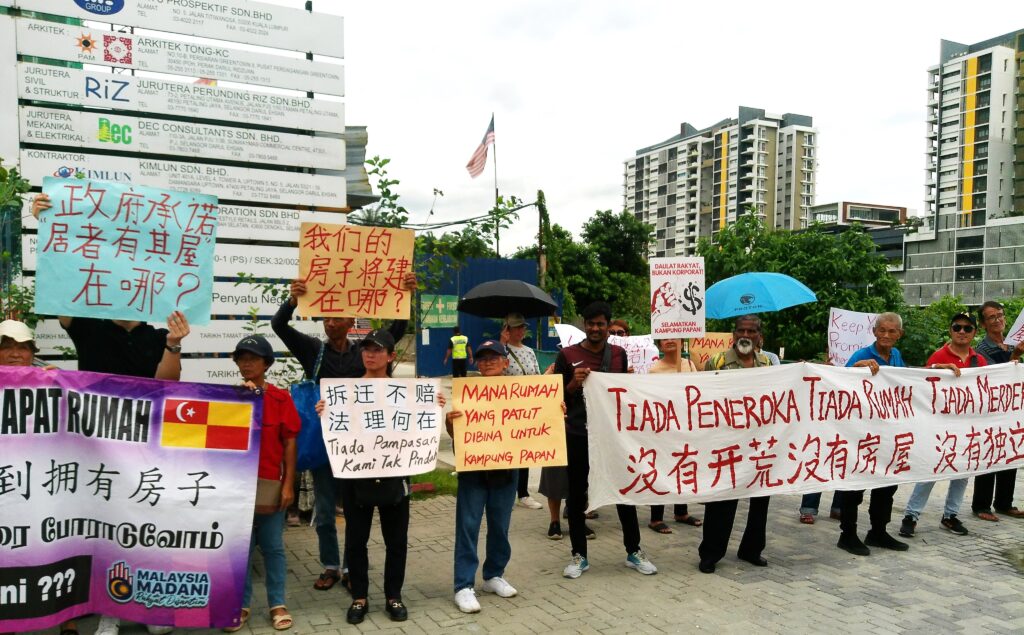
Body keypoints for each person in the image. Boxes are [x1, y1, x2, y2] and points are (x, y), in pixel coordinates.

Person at [34, 193, 185, 635]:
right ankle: (112, 610)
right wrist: (46, 226)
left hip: (147, 445)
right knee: (104, 527)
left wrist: (174, 344)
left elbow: (169, 383)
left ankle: (155, 605)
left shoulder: (159, 334)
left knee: (149, 523)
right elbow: (59, 278)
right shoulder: (86, 324)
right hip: (96, 444)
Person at [271, 277, 414, 593]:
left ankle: (352, 567)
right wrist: (293, 300)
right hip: (325, 442)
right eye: (326, 318)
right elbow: (279, 325)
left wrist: (407, 295)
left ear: (352, 321)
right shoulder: (312, 350)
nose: (331, 323)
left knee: (353, 510)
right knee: (324, 510)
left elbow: (396, 330)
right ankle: (330, 565)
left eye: (337, 317)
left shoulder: (361, 352)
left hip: (358, 446)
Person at [314, 330, 426, 624]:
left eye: (377, 350)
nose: (370, 354)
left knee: (396, 541)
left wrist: (433, 406)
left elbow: (418, 428)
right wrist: (325, 412)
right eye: (366, 348)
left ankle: (393, 596)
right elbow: (338, 429)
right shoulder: (345, 391)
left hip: (394, 475)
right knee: (355, 540)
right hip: (356, 477)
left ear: (390, 356)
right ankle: (360, 597)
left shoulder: (406, 391)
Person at [555, 301, 657, 579]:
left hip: (612, 436)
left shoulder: (618, 355)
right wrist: (574, 383)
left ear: (609, 327)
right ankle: (579, 555)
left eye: (601, 324)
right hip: (578, 434)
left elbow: (619, 393)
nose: (595, 328)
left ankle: (633, 550)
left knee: (625, 492)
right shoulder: (567, 355)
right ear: (584, 326)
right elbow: (555, 399)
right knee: (576, 497)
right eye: (591, 324)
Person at [224, 336, 299, 632]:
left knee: (272, 547)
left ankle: (277, 603)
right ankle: (240, 605)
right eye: (242, 358)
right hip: (236, 486)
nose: (246, 363)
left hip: (270, 482)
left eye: (253, 358)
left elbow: (290, 442)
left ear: (266, 363)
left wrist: (288, 484)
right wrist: (240, 400)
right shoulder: (229, 398)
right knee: (239, 549)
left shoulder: (281, 399)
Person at [446, 340, 520, 613]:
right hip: (474, 470)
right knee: (468, 527)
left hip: (505, 469)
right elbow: (457, 435)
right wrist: (450, 422)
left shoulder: (520, 393)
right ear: (476, 362)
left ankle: (493, 575)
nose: (488, 362)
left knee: (500, 525)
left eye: (493, 357)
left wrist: (552, 412)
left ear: (505, 362)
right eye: (483, 358)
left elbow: (537, 423)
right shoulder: (467, 392)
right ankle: (463, 585)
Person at [698, 315, 772, 574]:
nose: (745, 335)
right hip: (726, 441)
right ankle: (711, 553)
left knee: (760, 497)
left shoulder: (768, 363)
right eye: (741, 330)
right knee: (722, 498)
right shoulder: (716, 362)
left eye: (751, 331)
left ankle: (752, 549)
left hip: (760, 441)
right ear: (733, 334)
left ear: (759, 336)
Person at [899, 312, 984, 539]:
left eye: (967, 328)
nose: (962, 332)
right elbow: (922, 383)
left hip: (967, 427)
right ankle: (911, 516)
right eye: (957, 327)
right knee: (930, 470)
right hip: (939, 426)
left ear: (975, 332)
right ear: (950, 330)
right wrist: (938, 367)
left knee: (962, 472)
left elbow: (992, 385)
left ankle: (951, 515)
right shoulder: (939, 355)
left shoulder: (979, 360)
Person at [835, 312, 910, 555]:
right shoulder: (861, 355)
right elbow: (840, 384)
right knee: (855, 485)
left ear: (899, 334)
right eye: (882, 330)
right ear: (875, 332)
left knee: (887, 485)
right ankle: (847, 534)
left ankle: (878, 531)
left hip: (888, 432)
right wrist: (856, 368)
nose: (886, 335)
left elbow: (908, 384)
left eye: (892, 331)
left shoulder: (897, 356)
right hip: (861, 433)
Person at [971, 301, 1024, 520]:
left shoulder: (1012, 344)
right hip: (990, 411)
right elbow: (996, 376)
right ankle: (981, 505)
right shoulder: (982, 350)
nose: (998, 320)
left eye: (1000, 315)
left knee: (1010, 452)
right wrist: (1015, 357)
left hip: (1012, 409)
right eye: (991, 317)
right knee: (989, 455)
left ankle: (1004, 502)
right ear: (983, 324)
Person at [647, 338, 702, 533]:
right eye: (665, 338)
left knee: (684, 465)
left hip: (685, 425)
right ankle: (656, 518)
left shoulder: (688, 364)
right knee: (661, 469)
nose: (670, 341)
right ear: (660, 344)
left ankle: (682, 511)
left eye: (674, 337)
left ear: (681, 342)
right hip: (663, 427)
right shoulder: (654, 370)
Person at [501, 313, 544, 510]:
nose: (520, 331)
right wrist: (501, 345)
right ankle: (505, 492)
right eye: (516, 327)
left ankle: (523, 493)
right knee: (507, 451)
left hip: (527, 408)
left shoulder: (529, 351)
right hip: (506, 409)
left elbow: (536, 375)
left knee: (525, 450)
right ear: (507, 331)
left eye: (522, 327)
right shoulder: (500, 351)